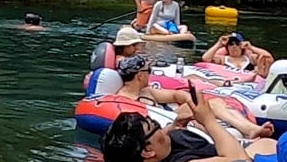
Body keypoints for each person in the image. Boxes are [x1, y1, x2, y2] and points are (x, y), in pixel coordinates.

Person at [101, 94, 279, 162]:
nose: (160, 127)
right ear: (148, 151)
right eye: (155, 125)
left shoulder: (162, 149)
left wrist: (174, 127)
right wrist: (208, 120)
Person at [115, 54, 275, 141]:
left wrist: (191, 101)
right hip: (162, 125)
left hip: (169, 117)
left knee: (212, 103)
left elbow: (176, 95)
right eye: (148, 71)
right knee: (204, 111)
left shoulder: (147, 91)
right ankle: (241, 136)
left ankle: (249, 130)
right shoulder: (123, 100)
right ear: (140, 76)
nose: (151, 74)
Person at [202, 32, 275, 78]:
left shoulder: (250, 58)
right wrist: (219, 44)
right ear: (227, 47)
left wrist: (251, 47)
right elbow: (206, 58)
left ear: (242, 45)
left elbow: (268, 57)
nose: (234, 46)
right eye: (231, 44)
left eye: (237, 44)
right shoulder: (222, 59)